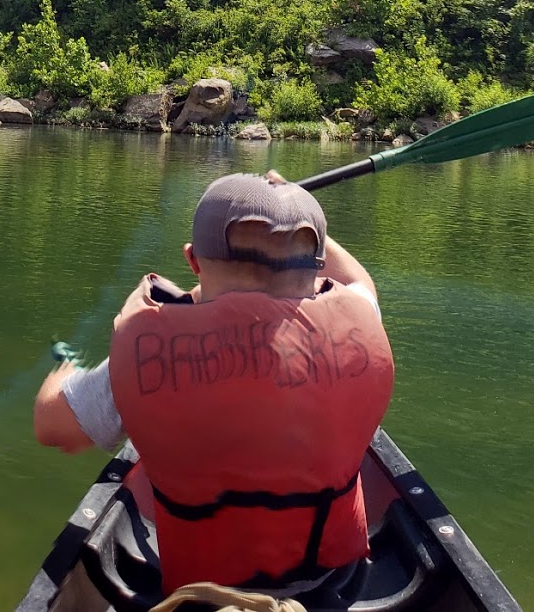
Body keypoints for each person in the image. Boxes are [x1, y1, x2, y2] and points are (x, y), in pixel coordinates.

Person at [33, 171, 394, 597]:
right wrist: (296, 206)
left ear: (193, 260)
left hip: (200, 591)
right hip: (332, 581)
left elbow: (54, 430)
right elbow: (359, 283)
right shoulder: (357, 318)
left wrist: (63, 380)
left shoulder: (151, 352)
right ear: (317, 268)